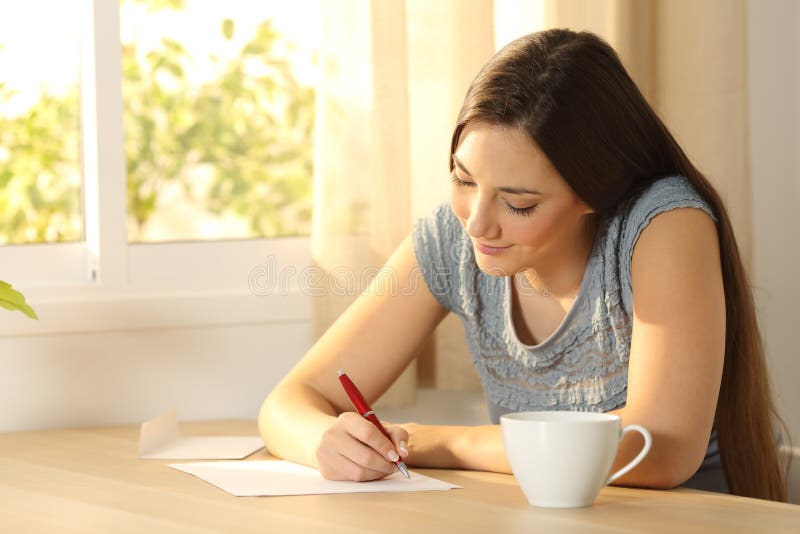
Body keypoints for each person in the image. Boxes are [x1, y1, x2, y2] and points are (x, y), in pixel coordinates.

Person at [259, 28, 788, 502]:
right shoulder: (455, 238)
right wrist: (323, 442)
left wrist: (440, 441)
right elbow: (290, 402)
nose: (477, 224)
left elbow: (656, 450)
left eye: (519, 204)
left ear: (595, 190)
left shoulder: (663, 224)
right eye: (464, 180)